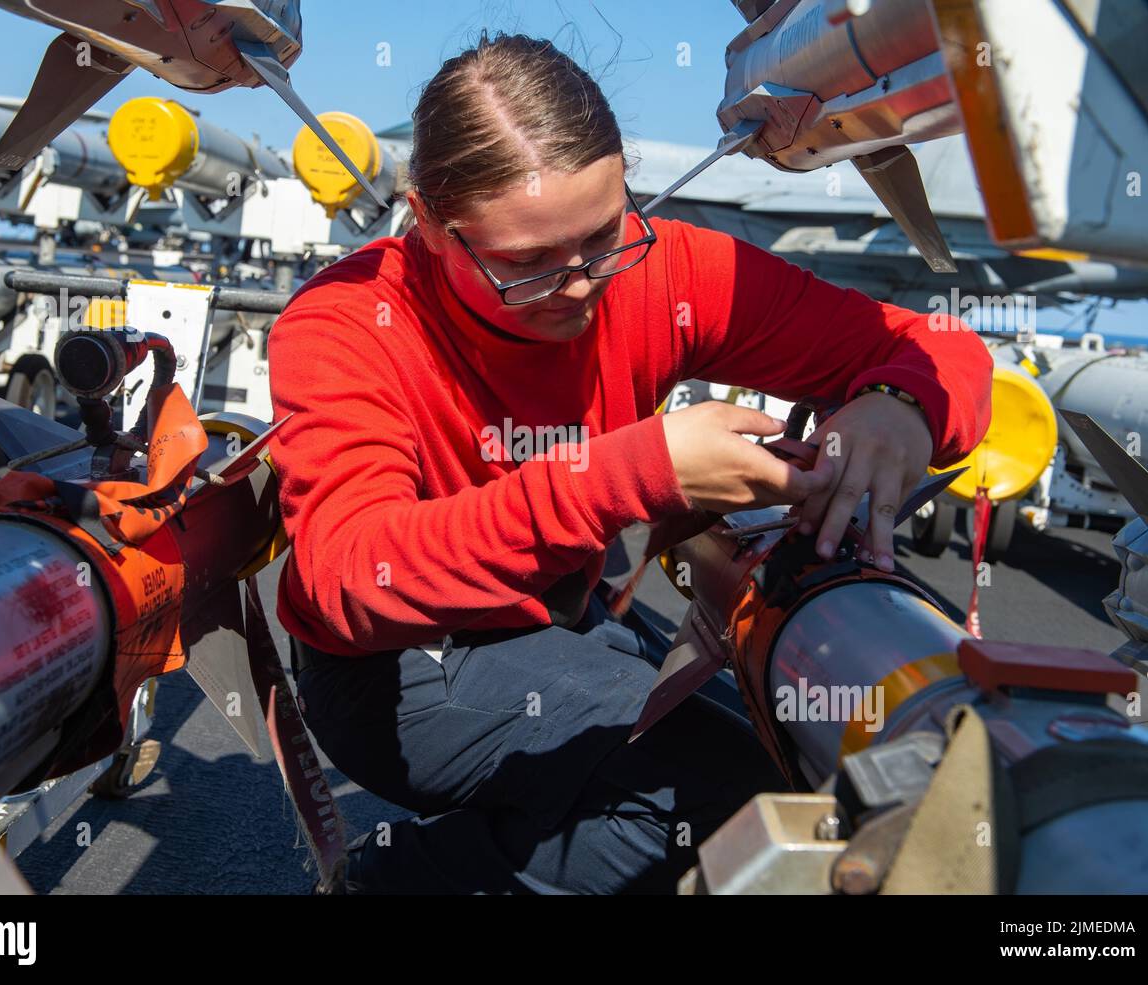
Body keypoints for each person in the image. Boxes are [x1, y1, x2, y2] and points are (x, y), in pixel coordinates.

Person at [267, 31, 993, 894]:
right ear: (428, 223)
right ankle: (400, 880)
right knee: (736, 805)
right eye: (525, 264)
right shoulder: (345, 324)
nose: (580, 284)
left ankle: (514, 831)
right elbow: (350, 575)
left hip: (563, 625)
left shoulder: (657, 271)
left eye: (603, 235)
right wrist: (633, 471)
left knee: (799, 749)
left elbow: (937, 344)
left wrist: (901, 408)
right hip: (396, 666)